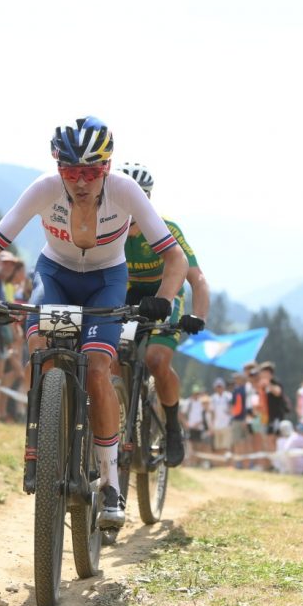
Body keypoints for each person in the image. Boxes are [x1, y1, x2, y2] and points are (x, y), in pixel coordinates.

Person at [0, 116, 188, 529]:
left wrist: (163, 299)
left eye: (91, 172)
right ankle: (46, 440)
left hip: (107, 281)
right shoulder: (44, 189)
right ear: (58, 167)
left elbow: (176, 259)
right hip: (56, 276)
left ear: (107, 167)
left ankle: (111, 483)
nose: (81, 182)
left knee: (99, 369)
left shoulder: (125, 191)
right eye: (70, 172)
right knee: (41, 353)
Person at [117, 161, 208, 467]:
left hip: (164, 295)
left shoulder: (165, 228)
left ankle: (171, 427)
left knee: (156, 360)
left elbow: (197, 278)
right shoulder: (107, 226)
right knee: (110, 354)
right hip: (128, 293)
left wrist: (198, 315)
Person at [208, 378, 234, 464]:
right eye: (217, 387)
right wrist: (211, 426)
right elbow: (212, 413)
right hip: (217, 425)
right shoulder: (213, 398)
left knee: (227, 445)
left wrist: (230, 411)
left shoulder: (229, 396)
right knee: (218, 446)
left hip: (227, 424)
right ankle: (220, 463)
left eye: (220, 386)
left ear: (223, 387)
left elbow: (233, 408)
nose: (219, 388)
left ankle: (228, 464)